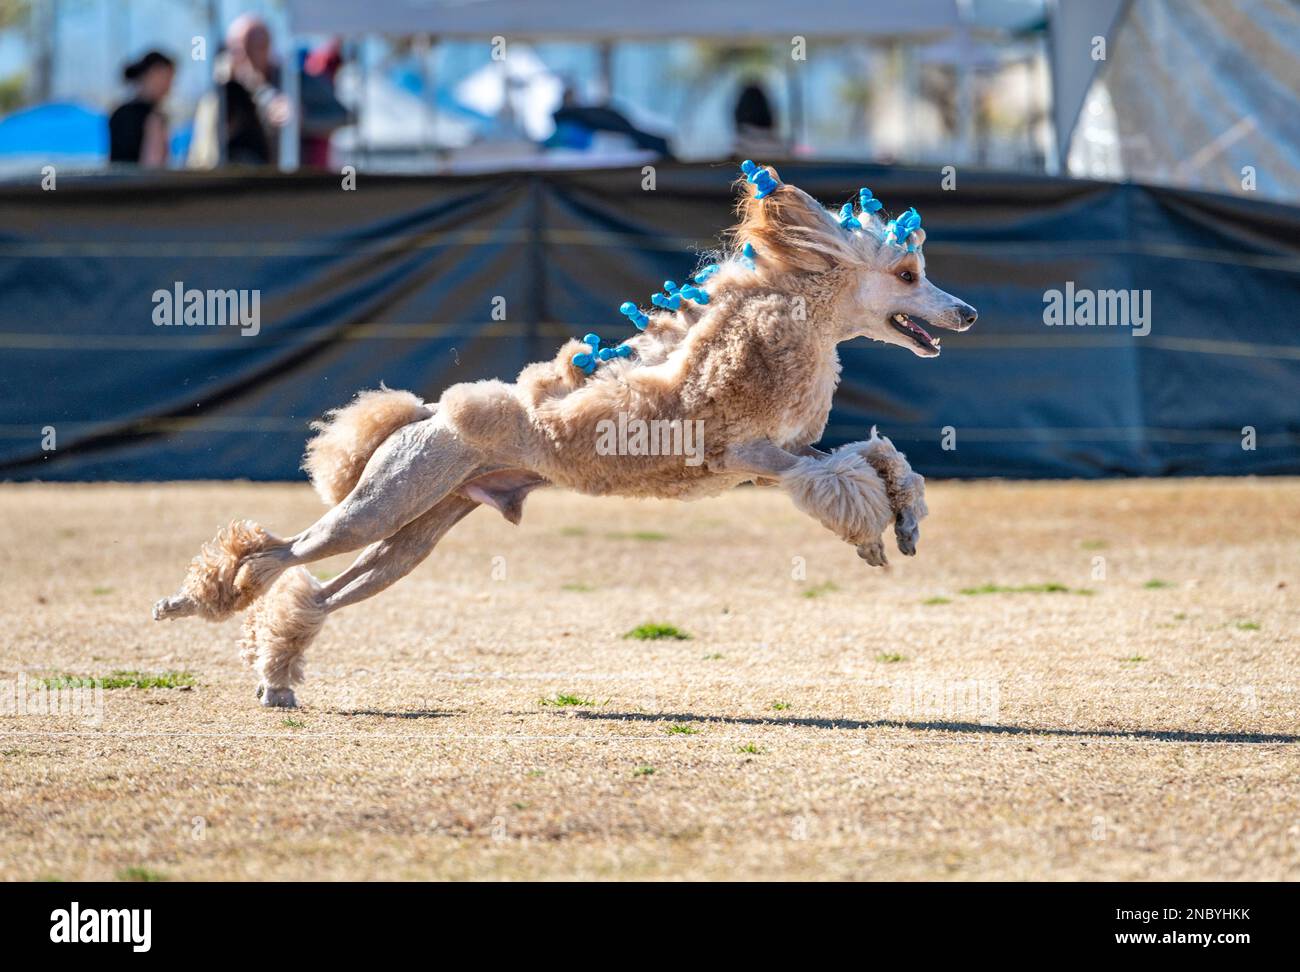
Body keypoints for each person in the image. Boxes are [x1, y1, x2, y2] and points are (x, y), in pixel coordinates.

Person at [188, 14, 292, 167]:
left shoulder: (289, 83)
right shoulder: (220, 91)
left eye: (254, 47)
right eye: (238, 48)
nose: (245, 56)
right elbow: (203, 148)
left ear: (267, 47)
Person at [108, 50, 175, 166]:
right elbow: (153, 164)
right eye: (166, 79)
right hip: (142, 183)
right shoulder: (154, 118)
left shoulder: (118, 112)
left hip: (117, 182)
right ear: (150, 75)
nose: (168, 87)